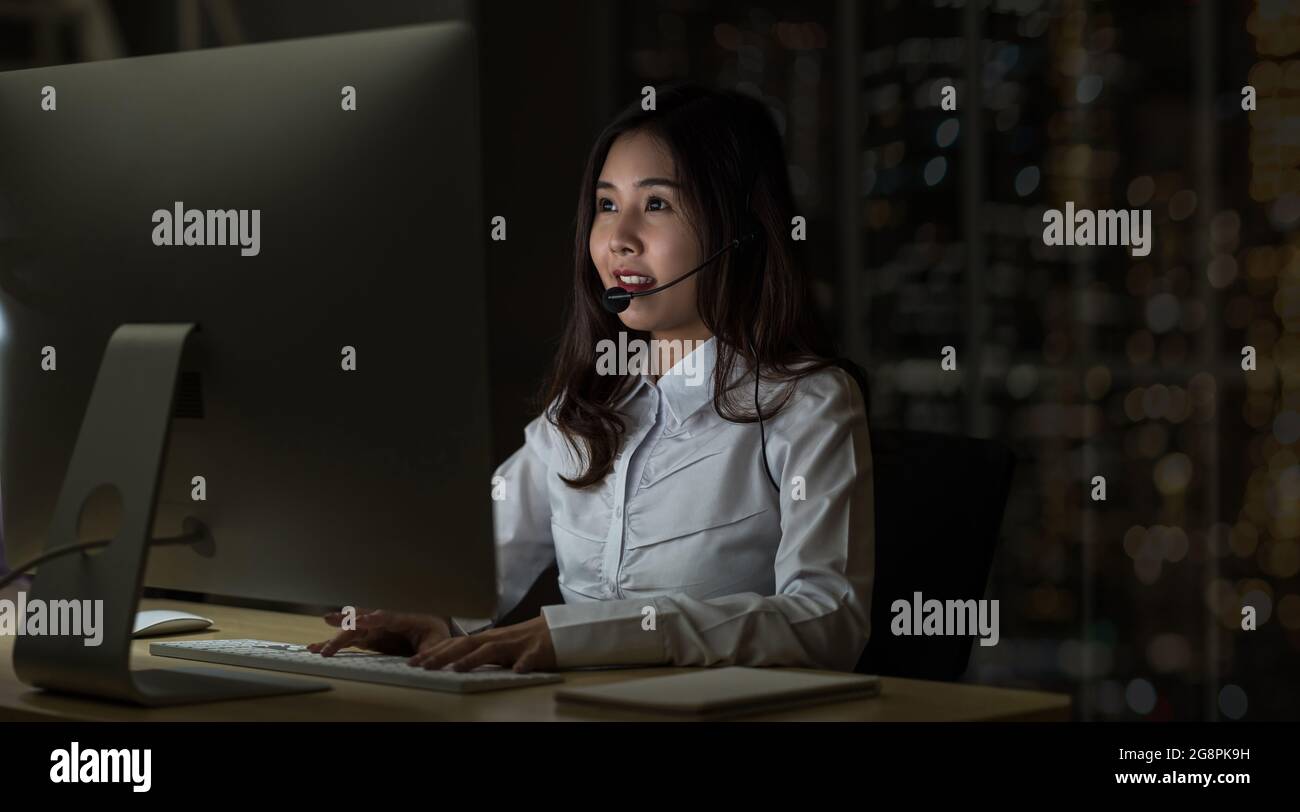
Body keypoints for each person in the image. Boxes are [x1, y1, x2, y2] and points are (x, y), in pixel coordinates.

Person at [309, 82, 875, 673]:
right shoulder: (584, 405)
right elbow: (481, 566)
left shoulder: (808, 403)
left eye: (656, 204)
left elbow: (828, 619)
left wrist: (594, 636)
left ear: (741, 232)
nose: (619, 239)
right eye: (607, 205)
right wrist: (434, 615)